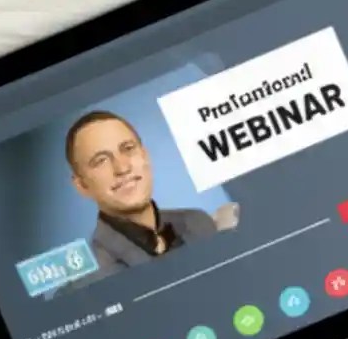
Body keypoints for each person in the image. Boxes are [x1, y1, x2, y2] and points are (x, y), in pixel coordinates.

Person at [63, 110, 240, 288]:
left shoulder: (198, 221)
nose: (122, 168)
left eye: (128, 149)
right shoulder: (87, 282)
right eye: (101, 160)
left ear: (145, 155)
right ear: (82, 185)